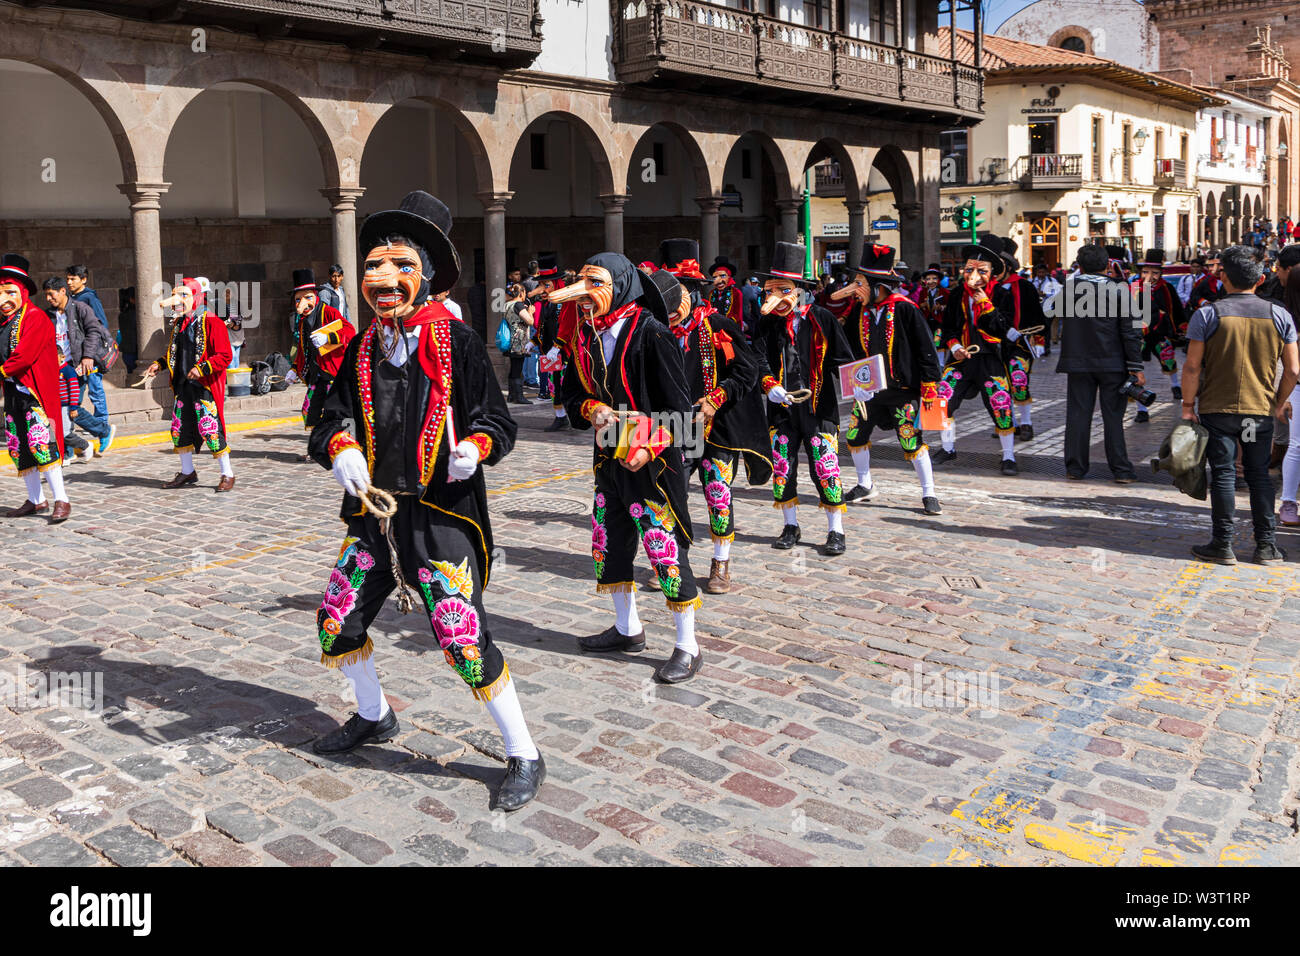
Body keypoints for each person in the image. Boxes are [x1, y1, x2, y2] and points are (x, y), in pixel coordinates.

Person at [308, 190, 544, 808]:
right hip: (376, 515)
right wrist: (339, 447)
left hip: (441, 516)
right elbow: (328, 415)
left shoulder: (458, 342)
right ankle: (373, 713)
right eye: (372, 267)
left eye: (399, 266)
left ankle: (523, 752)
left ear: (427, 279)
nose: (381, 279)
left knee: (460, 635)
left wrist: (478, 445)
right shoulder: (360, 348)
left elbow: (498, 418)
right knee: (337, 617)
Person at [552, 251, 705, 684]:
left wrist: (649, 445)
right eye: (581, 282)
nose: (583, 294)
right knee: (609, 542)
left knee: (664, 547)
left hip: (654, 464)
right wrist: (592, 407)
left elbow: (680, 409)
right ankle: (627, 628)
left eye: (594, 283)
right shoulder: (585, 336)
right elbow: (570, 395)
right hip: (609, 455)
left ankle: (688, 646)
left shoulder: (652, 334)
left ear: (619, 286)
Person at [656, 239, 770, 594]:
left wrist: (716, 398)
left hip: (717, 426)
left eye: (678, 295)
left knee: (717, 492)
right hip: (676, 427)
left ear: (692, 293)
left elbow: (747, 371)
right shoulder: (655, 331)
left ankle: (720, 564)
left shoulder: (718, 324)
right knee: (669, 494)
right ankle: (674, 562)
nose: (671, 305)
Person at [1181, 245, 1300, 565]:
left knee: (1222, 473)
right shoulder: (1279, 315)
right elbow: (1292, 369)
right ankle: (1265, 545)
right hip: (1256, 410)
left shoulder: (1208, 314)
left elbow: (1192, 367)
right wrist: (1280, 401)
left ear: (1223, 278)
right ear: (1260, 280)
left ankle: (1222, 543)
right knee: (1259, 474)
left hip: (1217, 409)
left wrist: (1188, 405)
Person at [752, 241, 854, 555]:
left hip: (818, 407)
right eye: (769, 290)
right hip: (782, 409)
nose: (774, 298)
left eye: (781, 290)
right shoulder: (767, 323)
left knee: (826, 467)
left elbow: (842, 359)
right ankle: (790, 525)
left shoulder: (821, 318)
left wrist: (860, 383)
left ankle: (836, 531)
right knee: (783, 466)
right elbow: (757, 358)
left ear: (797, 290)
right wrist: (770, 386)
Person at [833, 244, 942, 515]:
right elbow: (850, 351)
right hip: (869, 392)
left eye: (860, 284)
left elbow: (925, 348)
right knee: (856, 436)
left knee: (910, 440)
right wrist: (853, 383)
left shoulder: (906, 309)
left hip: (901, 390)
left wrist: (929, 386)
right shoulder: (860, 312)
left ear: (877, 285)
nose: (854, 290)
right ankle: (865, 484)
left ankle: (929, 493)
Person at [1055, 243, 1144, 483]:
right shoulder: (1121, 291)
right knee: (1113, 417)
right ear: (1107, 265)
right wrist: (1136, 366)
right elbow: (1132, 331)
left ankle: (1075, 467)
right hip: (1112, 363)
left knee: (1078, 416)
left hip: (1078, 363)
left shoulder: (1068, 290)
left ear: (1080, 266)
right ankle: (1121, 470)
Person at [933, 239, 1020, 475]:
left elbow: (1004, 329)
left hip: (990, 359)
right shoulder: (956, 294)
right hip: (961, 359)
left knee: (1000, 404)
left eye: (981, 271)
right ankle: (947, 448)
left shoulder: (1002, 295)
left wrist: (986, 304)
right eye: (969, 269)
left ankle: (1009, 456)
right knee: (943, 400)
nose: (973, 275)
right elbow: (949, 327)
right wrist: (954, 346)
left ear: (991, 273)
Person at [143, 277, 236, 492]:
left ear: (196, 296)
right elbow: (175, 353)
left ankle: (227, 473)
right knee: (179, 429)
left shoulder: (212, 321)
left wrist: (202, 368)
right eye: (175, 294)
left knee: (210, 428)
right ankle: (187, 471)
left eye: (183, 295)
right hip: (183, 386)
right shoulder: (178, 324)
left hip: (204, 386)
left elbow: (225, 355)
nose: (176, 299)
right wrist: (159, 364)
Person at [1, 254, 71, 522]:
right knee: (19, 447)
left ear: (22, 292)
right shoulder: (4, 322)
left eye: (9, 292)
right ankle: (36, 499)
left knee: (43, 444)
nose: (3, 301)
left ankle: (62, 499)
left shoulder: (36, 317)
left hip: (35, 395)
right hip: (12, 394)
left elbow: (25, 356)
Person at [41, 276, 116, 454]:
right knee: (62, 406)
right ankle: (67, 452)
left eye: (51, 295)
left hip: (76, 365)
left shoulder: (81, 308)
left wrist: (87, 356)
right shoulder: (48, 315)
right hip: (57, 366)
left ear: (62, 291)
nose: (48, 299)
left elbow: (94, 330)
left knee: (69, 406)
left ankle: (103, 430)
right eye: (46, 295)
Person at [285, 269, 355, 458]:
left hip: (333, 372)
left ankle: (340, 448)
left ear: (315, 296)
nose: (302, 303)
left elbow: (349, 331)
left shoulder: (329, 312)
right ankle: (316, 448)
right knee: (310, 410)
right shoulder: (302, 322)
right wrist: (294, 369)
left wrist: (328, 337)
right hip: (316, 372)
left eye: (306, 297)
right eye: (298, 300)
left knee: (335, 413)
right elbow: (302, 349)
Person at [992, 236, 1047, 441]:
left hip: (1019, 344)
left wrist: (1039, 340)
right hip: (995, 345)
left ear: (1007, 266)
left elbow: (1038, 317)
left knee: (1019, 380)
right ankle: (1008, 423)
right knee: (999, 385)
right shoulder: (988, 288)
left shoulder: (1025, 287)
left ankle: (1026, 423)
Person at [1133, 249, 1187, 423]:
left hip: (1160, 332)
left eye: (1155, 272)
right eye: (1146, 272)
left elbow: (1177, 308)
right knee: (1135, 370)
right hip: (1139, 334)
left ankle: (1175, 385)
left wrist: (1181, 325)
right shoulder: (1135, 288)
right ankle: (1141, 409)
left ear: (1161, 273)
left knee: (1168, 357)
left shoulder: (1166, 288)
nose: (1150, 276)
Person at [1278, 269, 1300, 526]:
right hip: (1297, 387)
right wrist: (1284, 396)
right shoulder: (1288, 318)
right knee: (1296, 445)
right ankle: (1288, 501)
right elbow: (1286, 365)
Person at [503, 282, 534, 405]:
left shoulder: (507, 304)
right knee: (518, 368)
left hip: (509, 339)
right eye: (524, 293)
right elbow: (530, 321)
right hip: (519, 340)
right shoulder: (519, 305)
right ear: (521, 293)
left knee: (513, 368)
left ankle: (511, 395)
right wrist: (530, 311)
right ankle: (519, 396)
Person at [709, 256, 744, 328]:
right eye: (715, 277)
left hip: (730, 329)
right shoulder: (711, 293)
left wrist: (726, 323)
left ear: (729, 277)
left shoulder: (736, 293)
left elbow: (738, 315)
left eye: (722, 276)